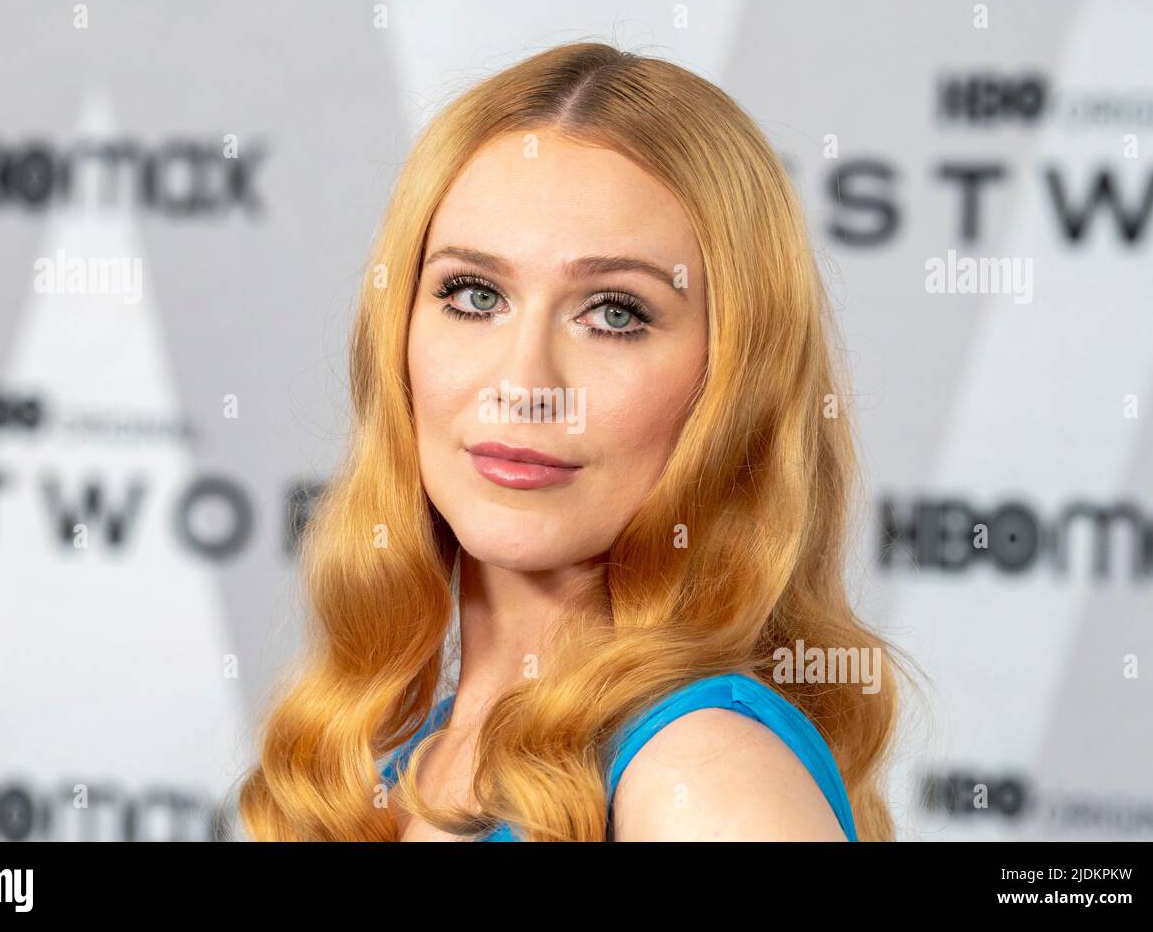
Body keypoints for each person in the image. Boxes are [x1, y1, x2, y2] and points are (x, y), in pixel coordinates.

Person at [241, 41, 906, 841]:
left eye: (615, 312)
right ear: (398, 335)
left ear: (734, 383)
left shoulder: (701, 770)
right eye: (474, 293)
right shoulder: (420, 756)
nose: (524, 383)